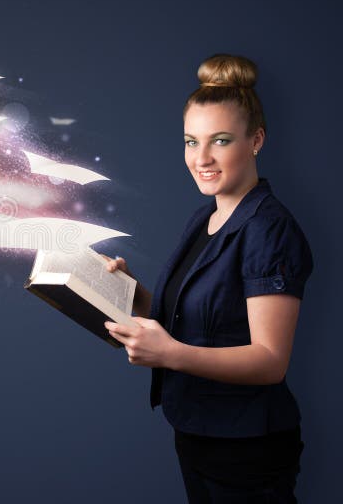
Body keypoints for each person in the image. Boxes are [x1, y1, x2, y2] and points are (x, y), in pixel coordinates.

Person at [101, 54, 313, 503]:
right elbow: (193, 317)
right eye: (190, 141)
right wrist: (128, 291)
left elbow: (271, 361)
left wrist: (173, 354)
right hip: (197, 431)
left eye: (220, 140)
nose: (202, 158)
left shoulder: (269, 229)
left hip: (247, 448)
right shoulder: (206, 217)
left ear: (256, 139)